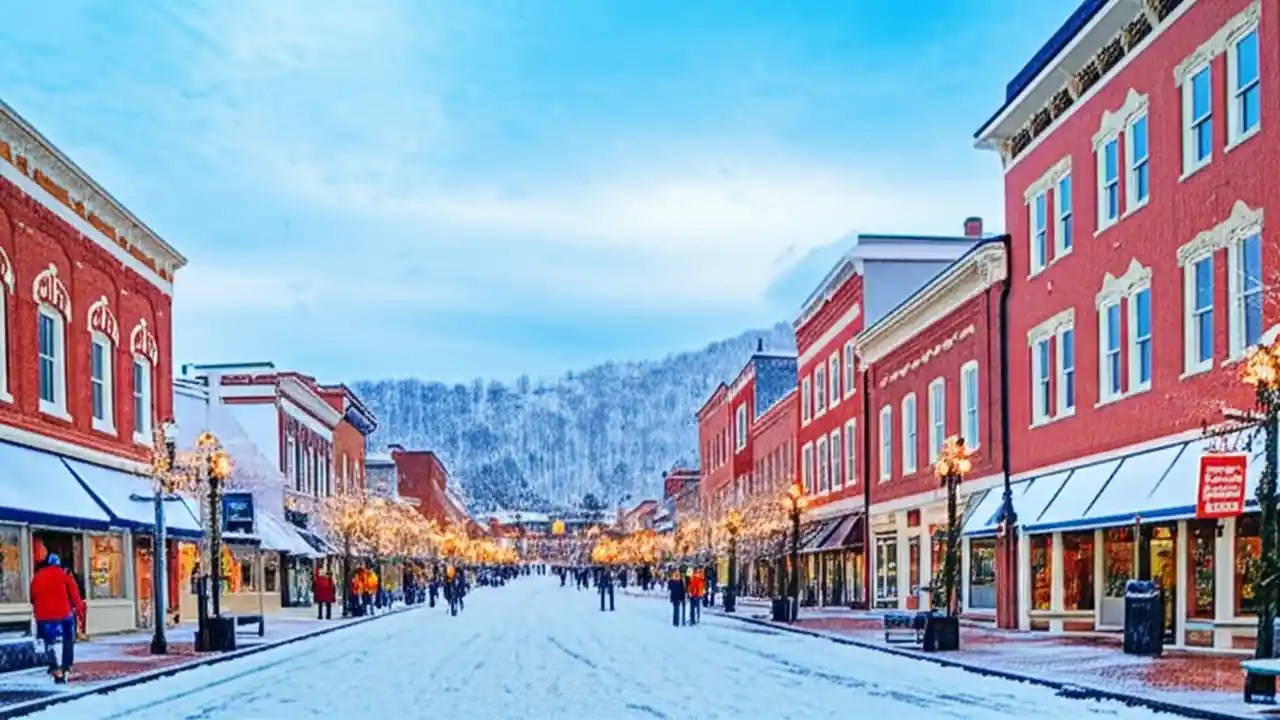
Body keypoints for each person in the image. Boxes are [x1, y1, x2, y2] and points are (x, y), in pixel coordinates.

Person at [30, 554, 84, 684]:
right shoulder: (64, 575)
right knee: (67, 639)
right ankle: (66, 665)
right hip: (62, 614)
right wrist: (80, 610)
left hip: (42, 616)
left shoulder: (37, 576)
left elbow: (32, 597)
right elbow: (74, 594)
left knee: (49, 641)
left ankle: (53, 665)